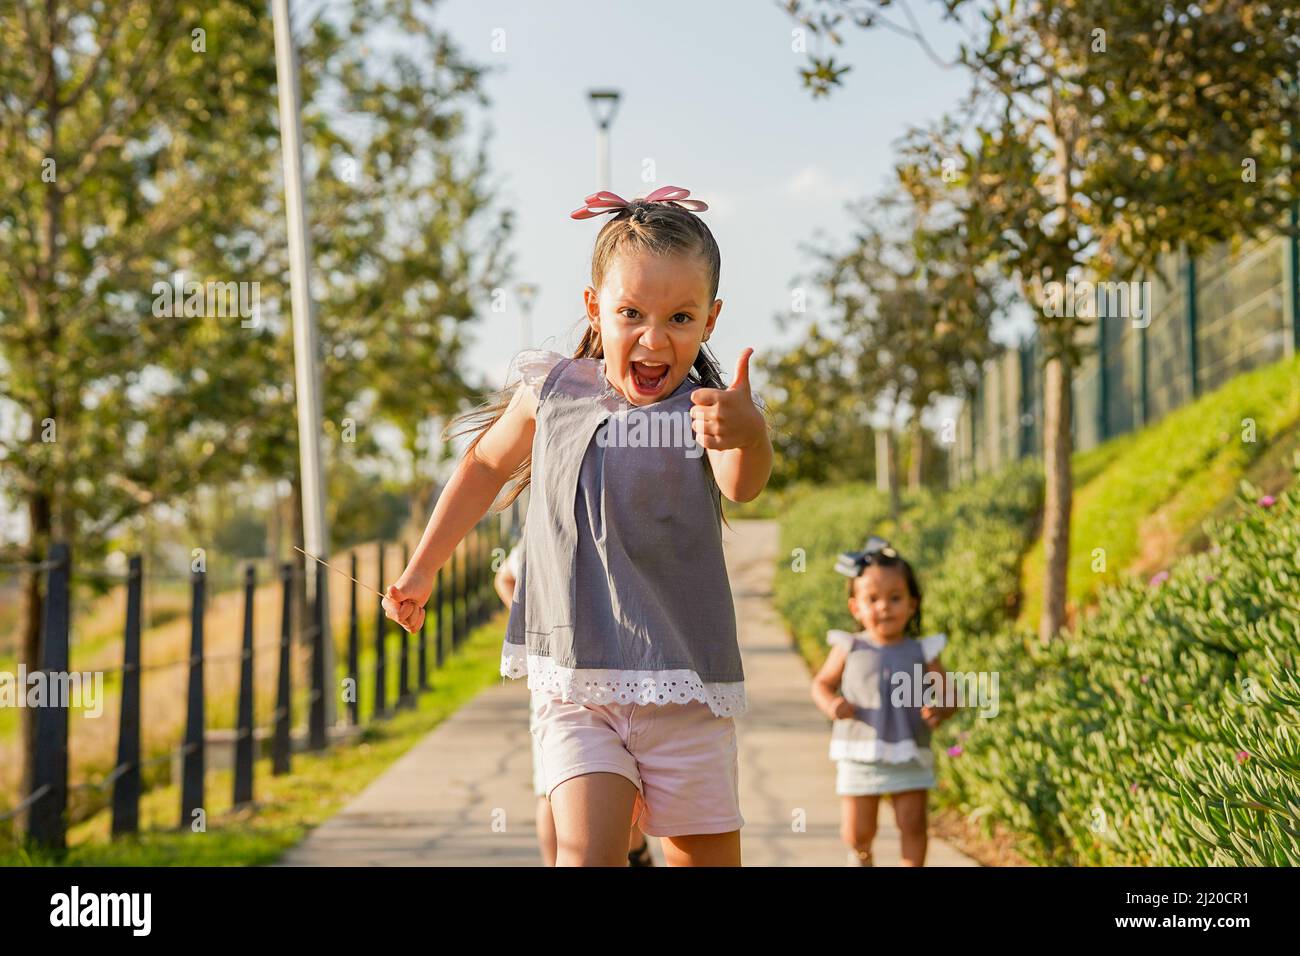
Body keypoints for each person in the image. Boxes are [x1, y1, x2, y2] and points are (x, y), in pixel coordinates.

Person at [383, 185, 773, 866]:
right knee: (584, 857)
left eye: (681, 317)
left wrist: (748, 432)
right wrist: (423, 566)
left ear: (710, 321)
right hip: (575, 685)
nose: (655, 339)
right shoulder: (551, 393)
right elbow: (482, 467)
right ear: (594, 308)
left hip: (686, 687)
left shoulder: (707, 411)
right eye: (631, 313)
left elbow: (741, 487)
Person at [493, 538, 656, 866]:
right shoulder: (546, 526)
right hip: (560, 681)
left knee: (623, 786)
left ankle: (634, 848)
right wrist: (537, 627)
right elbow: (505, 578)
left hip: (625, 678)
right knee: (552, 788)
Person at [810, 536, 955, 866]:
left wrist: (942, 707)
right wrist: (832, 704)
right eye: (872, 599)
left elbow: (949, 693)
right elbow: (821, 683)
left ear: (912, 604)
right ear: (855, 608)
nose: (884, 607)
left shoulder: (923, 651)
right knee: (857, 831)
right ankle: (862, 856)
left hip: (909, 750)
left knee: (914, 824)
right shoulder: (850, 647)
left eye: (895, 598)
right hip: (860, 751)